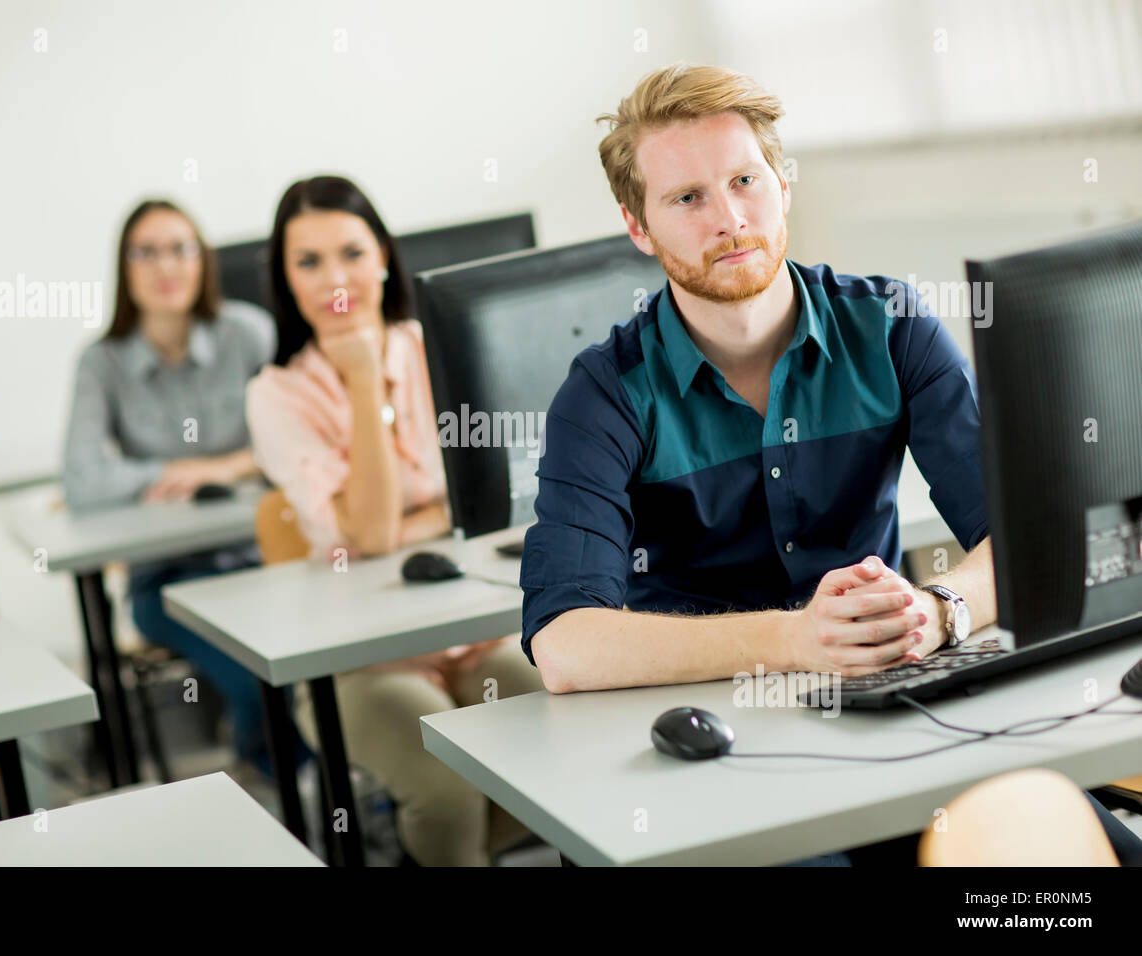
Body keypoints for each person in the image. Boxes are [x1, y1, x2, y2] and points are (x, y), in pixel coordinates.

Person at [519, 63, 1142, 867]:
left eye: (745, 180)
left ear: (782, 183)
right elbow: (566, 646)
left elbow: (1033, 541)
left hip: (890, 712)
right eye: (687, 198)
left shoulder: (890, 326)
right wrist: (795, 639)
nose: (729, 218)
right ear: (639, 227)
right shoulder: (604, 393)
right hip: (714, 753)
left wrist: (940, 609)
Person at [245, 175, 543, 865]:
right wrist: (358, 377)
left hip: (475, 630)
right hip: (361, 660)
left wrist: (425, 519)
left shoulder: (439, 345)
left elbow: (492, 498)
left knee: (567, 742)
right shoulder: (276, 394)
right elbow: (375, 535)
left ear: (383, 256)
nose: (335, 279)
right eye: (308, 262)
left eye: (351, 252)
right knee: (448, 788)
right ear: (286, 281)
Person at [62, 198, 273, 774]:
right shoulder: (101, 363)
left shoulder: (248, 333)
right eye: (145, 253)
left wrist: (223, 467)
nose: (165, 266)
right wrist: (166, 474)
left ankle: (298, 790)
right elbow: (81, 480)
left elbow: (297, 439)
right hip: (166, 579)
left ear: (202, 259)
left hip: (263, 559)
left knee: (303, 671)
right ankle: (296, 790)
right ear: (125, 270)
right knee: (262, 680)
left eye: (180, 249)